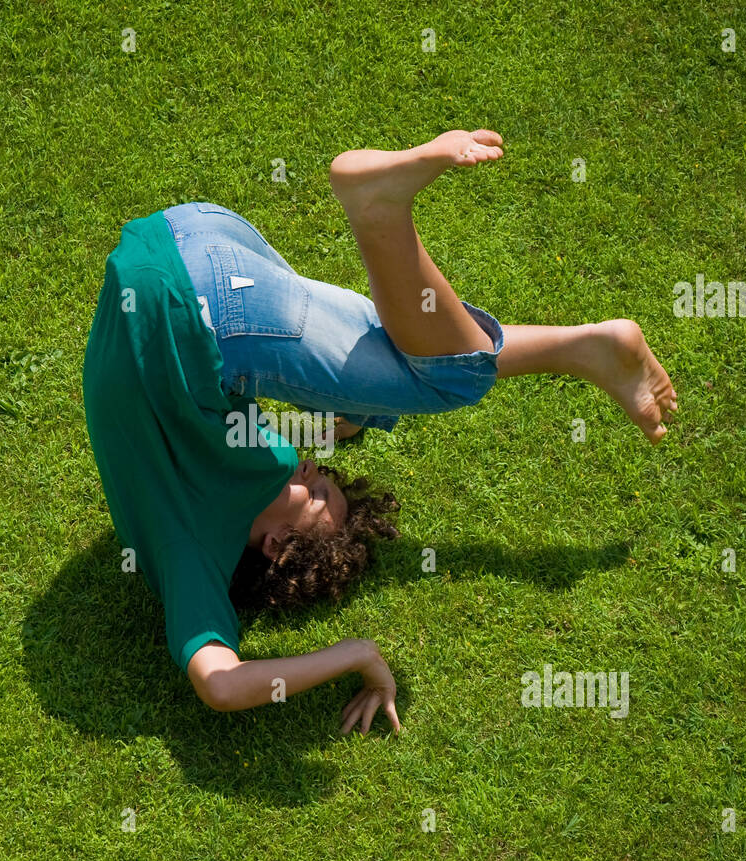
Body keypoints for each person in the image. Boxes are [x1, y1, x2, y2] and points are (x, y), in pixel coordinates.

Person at [82, 129, 677, 735]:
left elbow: (221, 683)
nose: (310, 471)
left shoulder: (193, 551)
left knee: (441, 380)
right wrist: (359, 415)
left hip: (194, 305)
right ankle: (586, 344)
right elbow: (329, 421)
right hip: (191, 243)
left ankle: (382, 211)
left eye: (314, 498)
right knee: (385, 387)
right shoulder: (256, 467)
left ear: (276, 548)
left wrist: (360, 655)